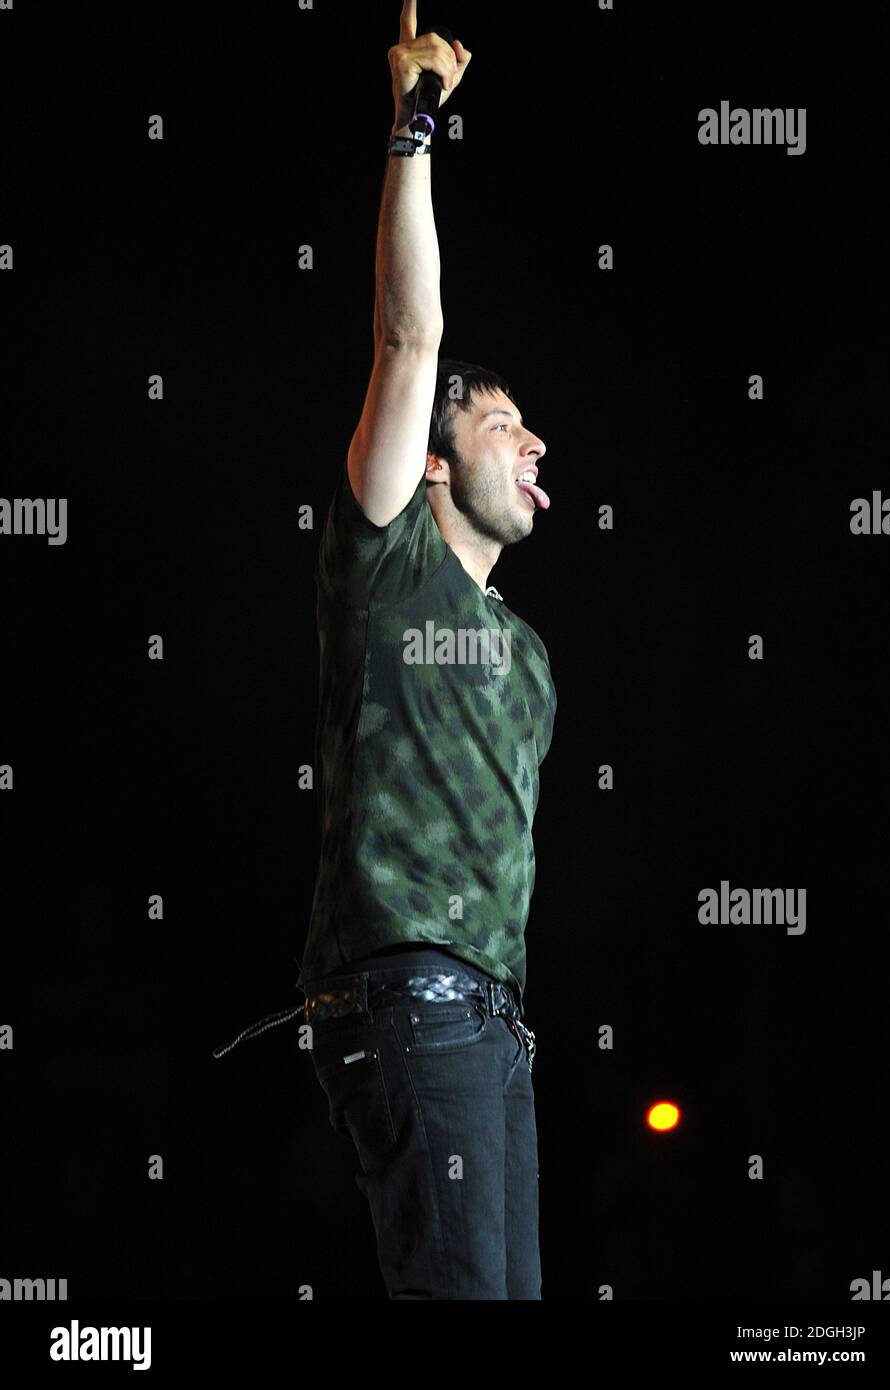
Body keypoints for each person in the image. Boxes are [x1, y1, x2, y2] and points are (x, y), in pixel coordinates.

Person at [214, 2, 557, 1300]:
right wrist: (416, 128)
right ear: (429, 462)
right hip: (405, 996)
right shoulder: (385, 560)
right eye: (506, 424)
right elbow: (409, 339)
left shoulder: (527, 657)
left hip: (496, 1023)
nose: (536, 446)